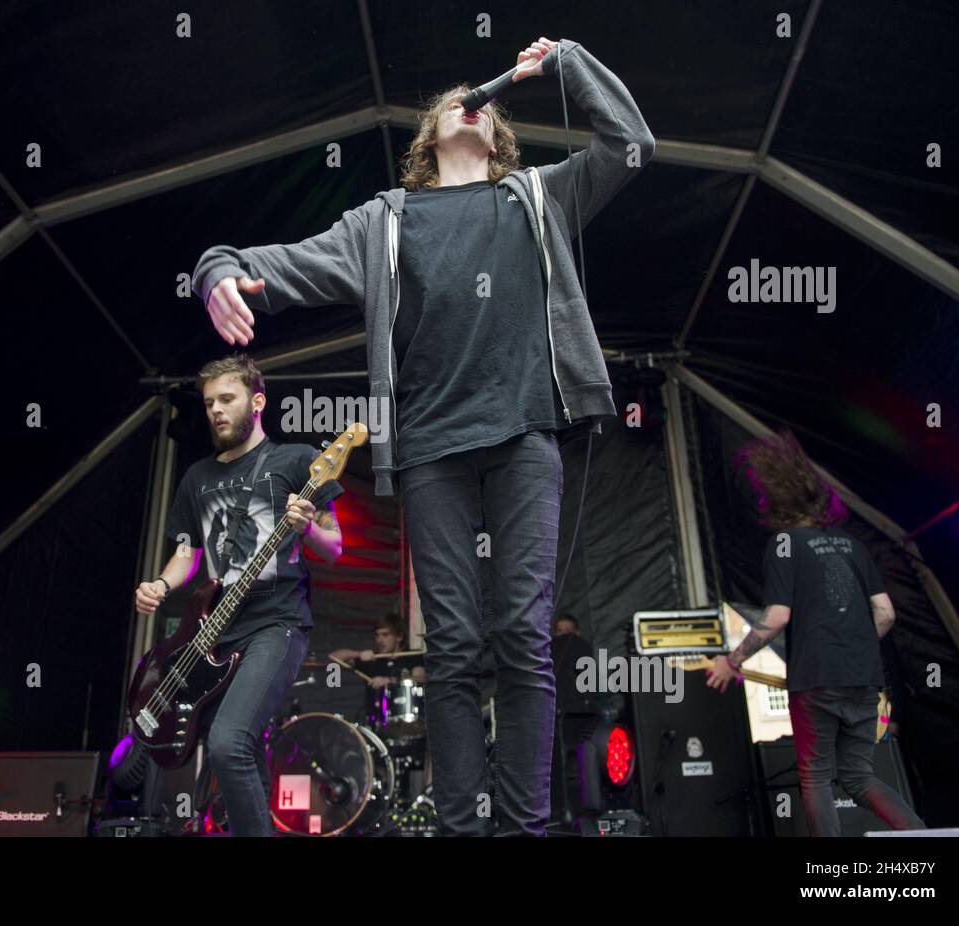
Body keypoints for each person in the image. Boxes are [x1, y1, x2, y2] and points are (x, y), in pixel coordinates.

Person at [193, 37, 653, 835]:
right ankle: (460, 828)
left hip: (524, 437)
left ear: (496, 131)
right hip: (435, 449)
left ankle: (523, 828)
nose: (464, 101)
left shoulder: (539, 199)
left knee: (522, 638)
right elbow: (284, 267)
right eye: (448, 101)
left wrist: (572, 62)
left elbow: (632, 145)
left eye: (478, 101)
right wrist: (218, 269)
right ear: (429, 136)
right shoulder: (385, 223)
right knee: (451, 645)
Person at [133, 353, 343, 836]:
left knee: (230, 743)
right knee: (214, 751)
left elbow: (334, 546)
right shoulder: (196, 478)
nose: (216, 411)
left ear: (258, 400)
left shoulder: (296, 461)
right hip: (213, 632)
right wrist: (161, 584)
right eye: (209, 403)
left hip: (276, 621)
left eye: (227, 399)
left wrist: (307, 528)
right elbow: (187, 553)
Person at [706, 429, 924, 837]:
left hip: (817, 679)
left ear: (773, 501)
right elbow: (886, 613)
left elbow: (777, 616)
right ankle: (918, 833)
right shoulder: (851, 544)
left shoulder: (785, 544)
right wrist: (853, 643)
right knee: (859, 777)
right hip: (863, 677)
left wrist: (730, 661)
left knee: (816, 777)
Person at [330, 612, 426, 725]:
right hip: (376, 724)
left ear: (399, 637)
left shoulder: (411, 657)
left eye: (385, 635)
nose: (380, 640)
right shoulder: (372, 660)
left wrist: (390, 681)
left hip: (409, 722)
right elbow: (333, 658)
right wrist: (358, 654)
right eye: (377, 635)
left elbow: (420, 677)